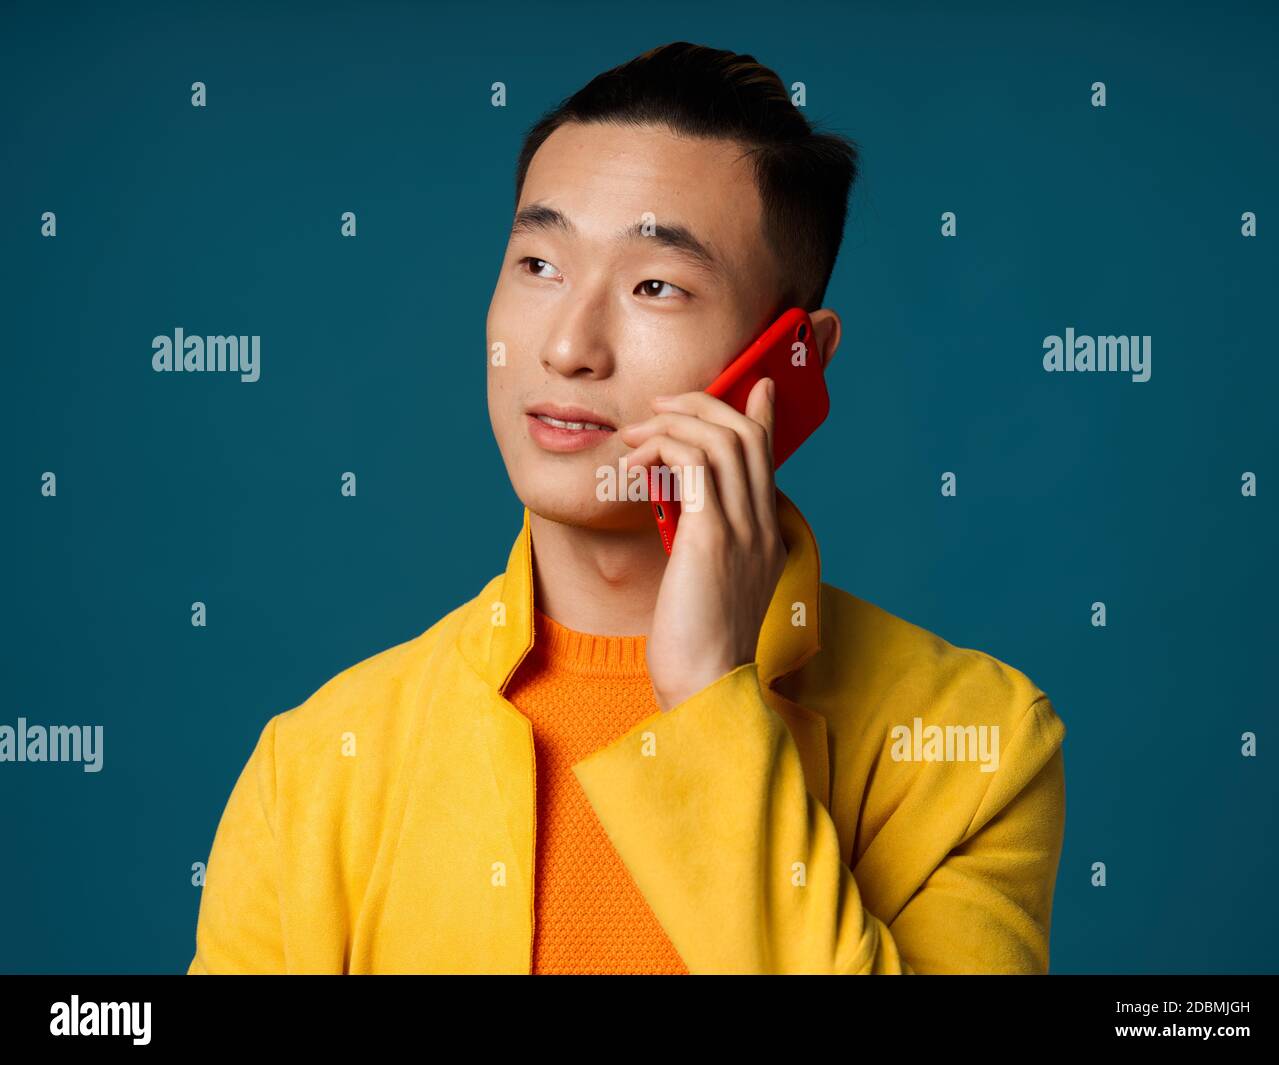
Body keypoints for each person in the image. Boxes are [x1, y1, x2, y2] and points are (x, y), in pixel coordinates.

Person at [188, 40, 1066, 976]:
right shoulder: (318, 764)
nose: (568, 345)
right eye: (537, 264)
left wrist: (707, 703)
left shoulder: (973, 749)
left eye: (656, 285)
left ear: (795, 357)